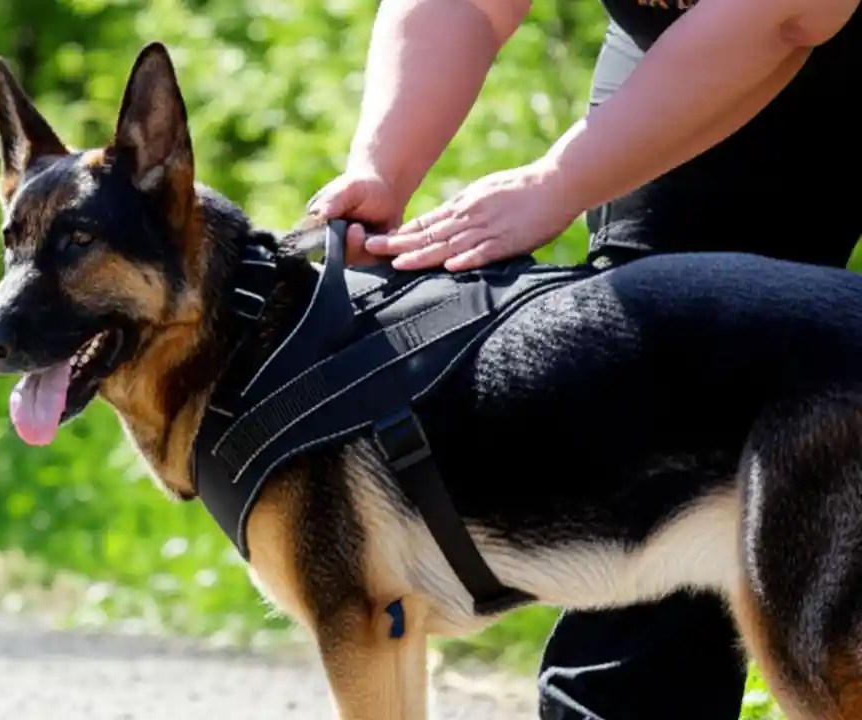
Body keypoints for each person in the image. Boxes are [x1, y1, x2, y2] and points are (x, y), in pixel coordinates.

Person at [305, 0, 862, 717]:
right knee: (663, 389)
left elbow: (784, 14)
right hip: (690, 26)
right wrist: (381, 169)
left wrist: (559, 181)